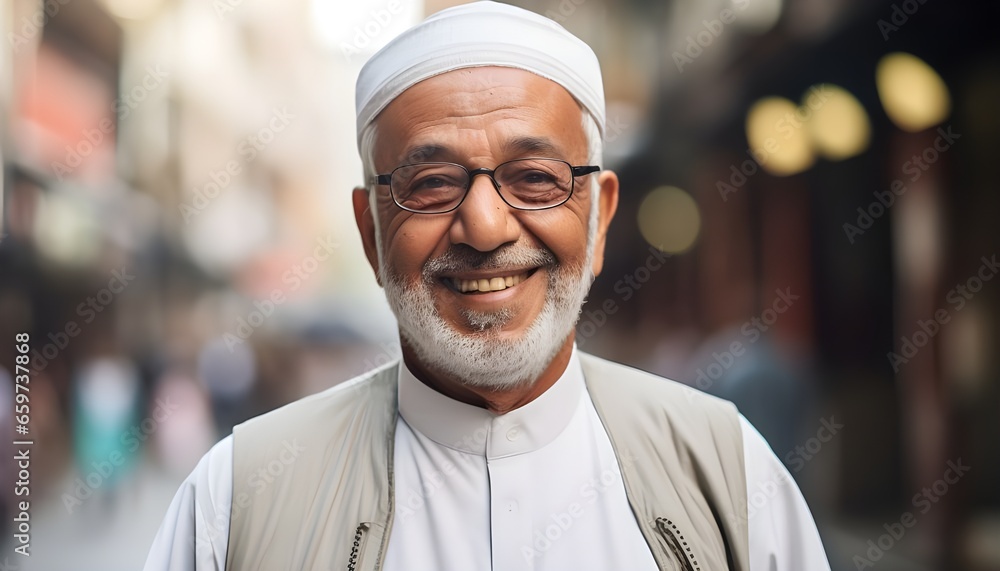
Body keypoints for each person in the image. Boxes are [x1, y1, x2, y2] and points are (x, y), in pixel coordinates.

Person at [145, 3, 831, 570]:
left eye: (534, 177)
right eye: (433, 184)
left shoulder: (731, 477)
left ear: (598, 220)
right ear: (370, 231)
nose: (483, 225)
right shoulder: (238, 501)